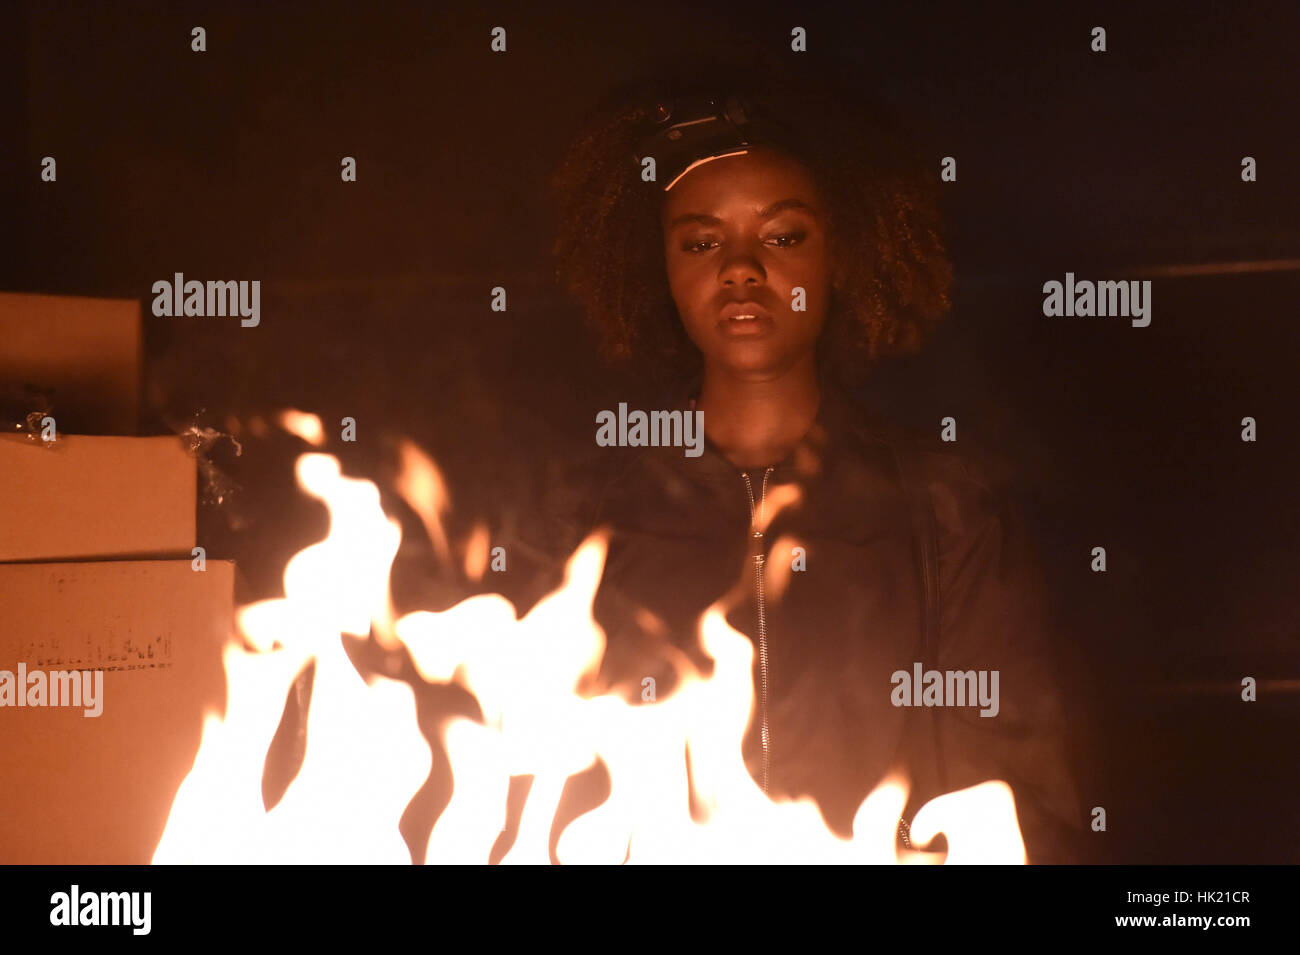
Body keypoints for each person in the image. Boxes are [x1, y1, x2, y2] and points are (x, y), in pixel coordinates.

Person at [500, 61, 1084, 863]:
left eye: (783, 236)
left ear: (839, 255)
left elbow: (1018, 796)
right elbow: (513, 799)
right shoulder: (573, 518)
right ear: (661, 267)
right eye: (702, 240)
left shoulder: (949, 512)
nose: (741, 267)